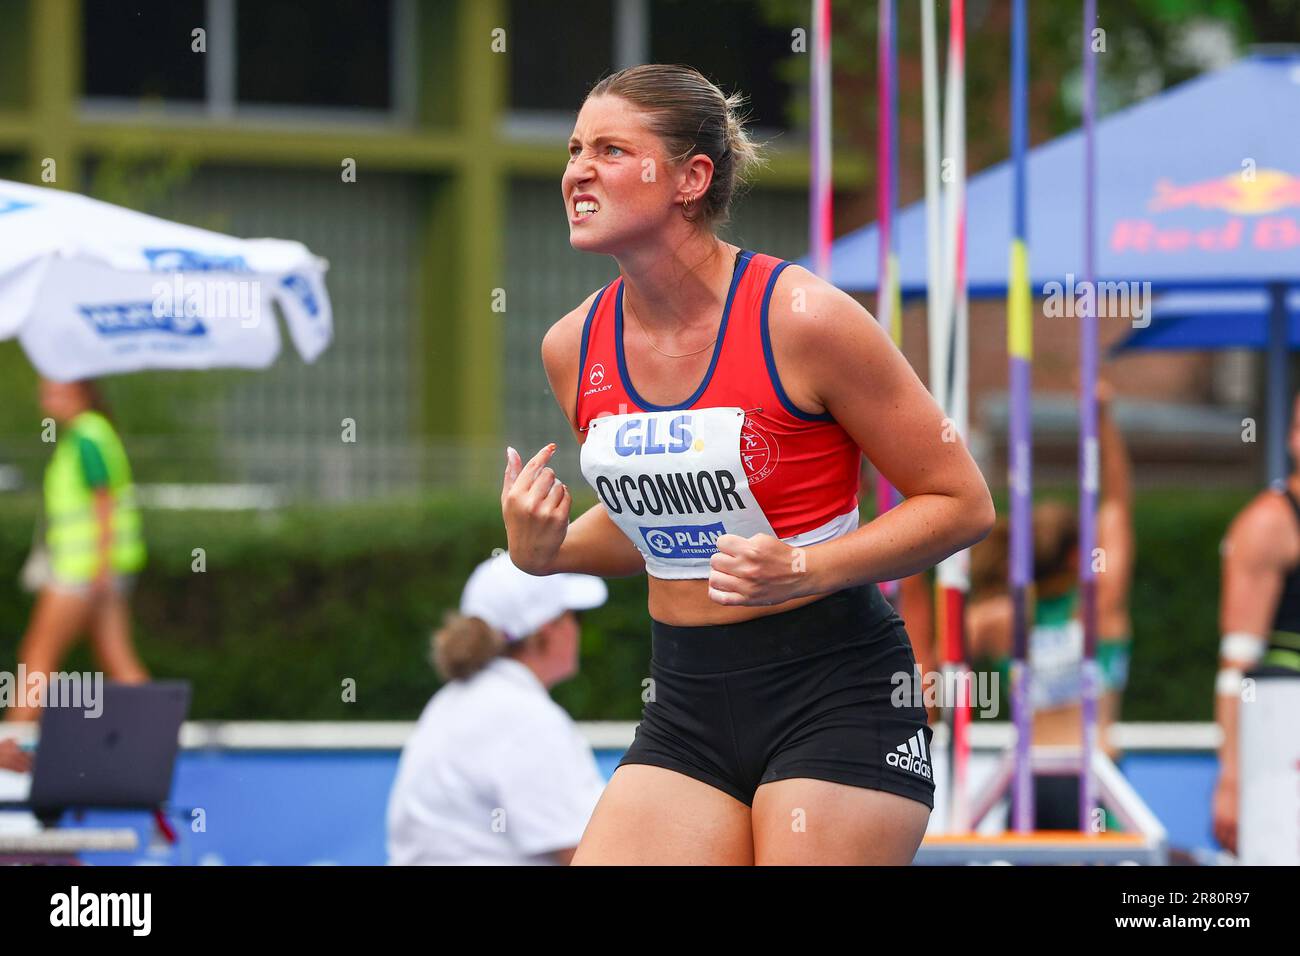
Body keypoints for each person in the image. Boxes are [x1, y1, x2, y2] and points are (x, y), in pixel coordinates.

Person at [504, 64, 994, 865]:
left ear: (691, 178)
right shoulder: (571, 346)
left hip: (835, 691)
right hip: (688, 702)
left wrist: (808, 565)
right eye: (573, 149)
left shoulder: (806, 320)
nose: (578, 171)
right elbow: (655, 532)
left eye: (611, 150)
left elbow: (962, 503)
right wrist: (545, 550)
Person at [966, 380, 1135, 829]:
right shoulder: (1100, 606)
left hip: (1028, 779)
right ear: (1079, 557)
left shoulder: (999, 618)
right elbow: (1117, 509)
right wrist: (1102, 419)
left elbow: (928, 658)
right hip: (1092, 776)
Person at [386, 552, 609, 865]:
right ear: (544, 632)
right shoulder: (524, 717)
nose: (577, 628)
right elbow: (592, 854)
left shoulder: (453, 702)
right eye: (574, 615)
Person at [8, 379, 147, 723]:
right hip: (100, 569)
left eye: (53, 390)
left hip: (80, 571)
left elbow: (104, 503)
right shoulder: (93, 432)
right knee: (118, 659)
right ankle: (158, 739)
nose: (44, 398)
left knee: (37, 660)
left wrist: (100, 567)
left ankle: (7, 754)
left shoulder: (85, 436)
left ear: (79, 393)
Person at [1212, 391, 1300, 855]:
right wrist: (1232, 777)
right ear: (1293, 438)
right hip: (1284, 750)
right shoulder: (1267, 526)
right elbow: (1236, 667)